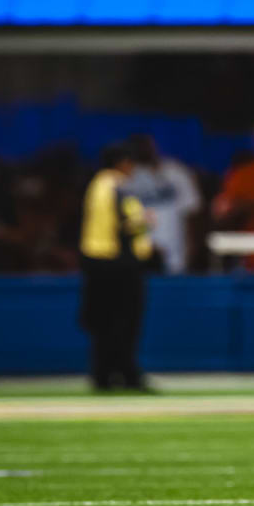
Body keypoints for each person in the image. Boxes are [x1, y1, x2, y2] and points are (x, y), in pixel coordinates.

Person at [78, 142, 152, 391]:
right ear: (121, 163)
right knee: (123, 321)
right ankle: (126, 374)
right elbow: (128, 223)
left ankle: (105, 374)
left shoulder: (97, 184)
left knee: (103, 322)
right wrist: (146, 220)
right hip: (117, 263)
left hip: (98, 261)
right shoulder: (117, 186)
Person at [125, 135, 201, 274]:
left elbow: (192, 213)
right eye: (137, 147)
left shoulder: (176, 172)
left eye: (146, 145)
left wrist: (192, 248)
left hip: (174, 253)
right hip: (138, 253)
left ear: (154, 147)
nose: (142, 150)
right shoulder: (125, 177)